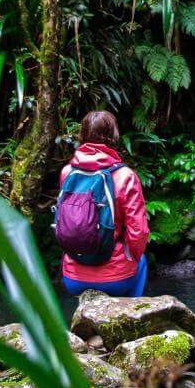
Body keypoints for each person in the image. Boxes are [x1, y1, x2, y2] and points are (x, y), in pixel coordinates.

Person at [56, 110, 150, 297]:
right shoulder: (125, 176)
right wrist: (129, 258)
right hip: (116, 280)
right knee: (141, 262)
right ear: (113, 135)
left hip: (72, 278)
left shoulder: (67, 172)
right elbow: (138, 232)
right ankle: (130, 319)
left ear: (82, 135)